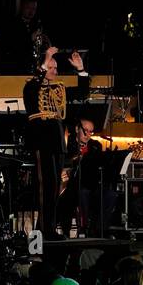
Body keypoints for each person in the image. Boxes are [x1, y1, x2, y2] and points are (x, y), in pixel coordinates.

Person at [24, 46, 89, 239]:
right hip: (41, 139)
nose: (55, 71)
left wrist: (81, 69)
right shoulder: (31, 87)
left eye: (55, 68)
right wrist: (46, 59)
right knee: (47, 186)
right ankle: (46, 231)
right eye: (51, 68)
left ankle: (47, 228)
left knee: (55, 187)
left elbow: (82, 92)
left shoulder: (59, 88)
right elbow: (35, 85)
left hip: (57, 139)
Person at [56, 118, 120, 237]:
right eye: (85, 130)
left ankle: (101, 229)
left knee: (111, 194)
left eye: (91, 132)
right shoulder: (66, 144)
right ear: (76, 129)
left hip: (91, 185)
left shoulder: (95, 145)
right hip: (71, 186)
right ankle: (84, 228)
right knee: (80, 194)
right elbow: (63, 166)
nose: (88, 135)